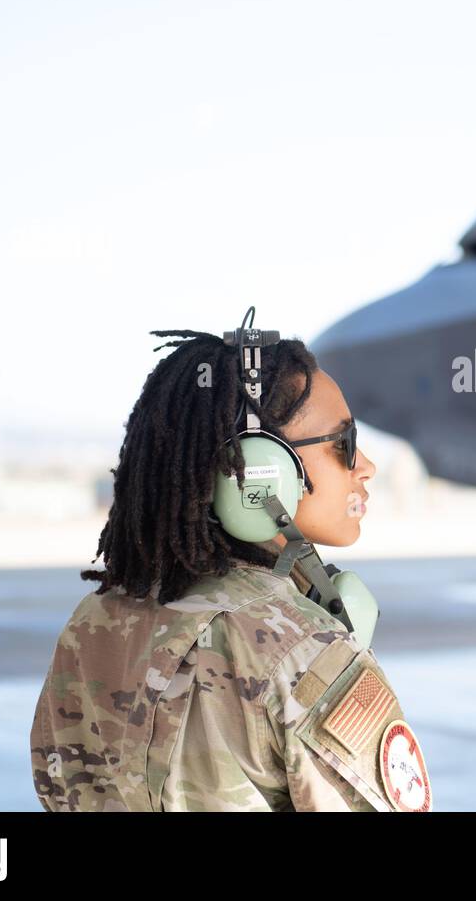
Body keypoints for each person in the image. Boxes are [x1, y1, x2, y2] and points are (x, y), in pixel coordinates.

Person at [28, 320, 432, 811]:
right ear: (262, 470)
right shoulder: (304, 652)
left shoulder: (91, 626)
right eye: (343, 443)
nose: (365, 465)